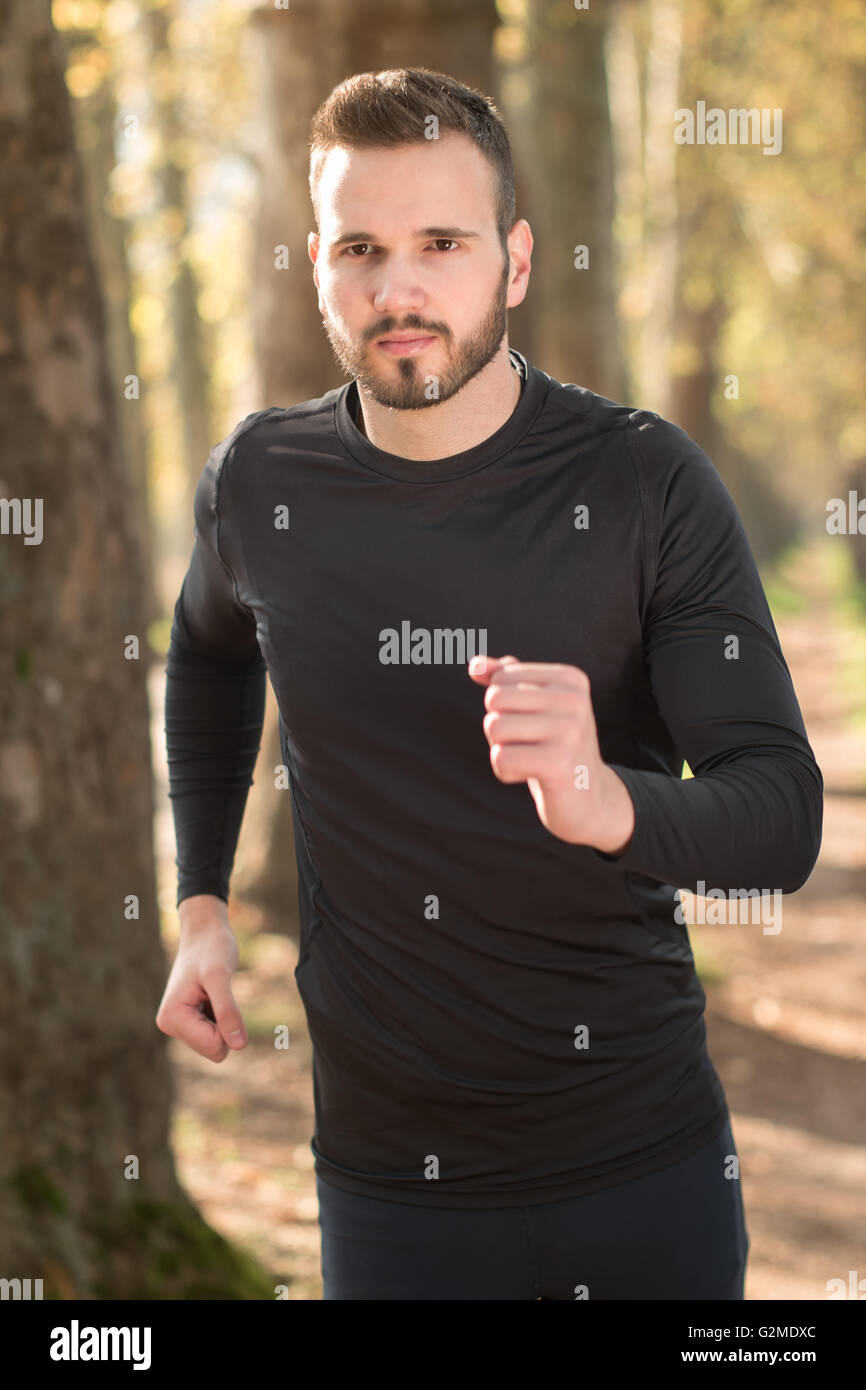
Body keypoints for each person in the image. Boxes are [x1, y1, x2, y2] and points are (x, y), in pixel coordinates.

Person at [157, 67, 822, 1300]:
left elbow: (780, 814)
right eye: (360, 247)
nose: (397, 290)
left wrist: (604, 799)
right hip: (386, 1195)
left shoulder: (640, 483)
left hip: (641, 1172)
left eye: (440, 244)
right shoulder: (261, 481)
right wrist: (201, 900)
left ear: (513, 262)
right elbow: (204, 655)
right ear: (314, 262)